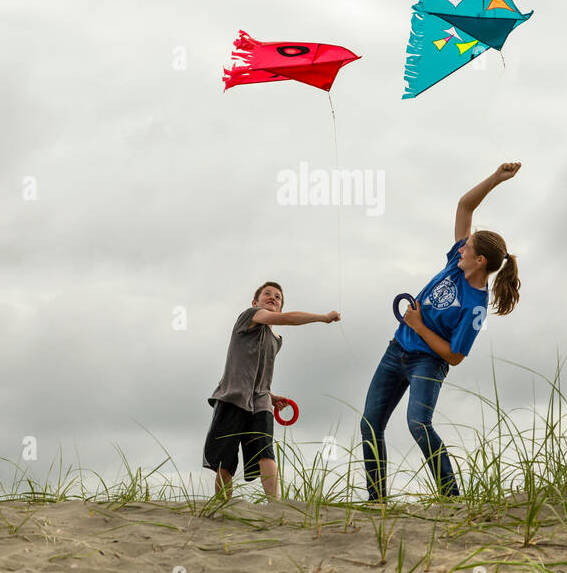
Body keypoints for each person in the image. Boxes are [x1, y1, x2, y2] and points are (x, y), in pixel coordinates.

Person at [360, 162, 522, 501]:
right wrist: (496, 177)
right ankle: (377, 501)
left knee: (418, 424)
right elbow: (465, 206)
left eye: (468, 246)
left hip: (428, 364)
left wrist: (418, 325)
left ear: (480, 261)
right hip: (396, 351)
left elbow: (455, 356)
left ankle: (451, 498)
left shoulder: (475, 305)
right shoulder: (455, 263)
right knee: (370, 424)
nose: (461, 247)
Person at [204, 281, 340, 501]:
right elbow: (286, 320)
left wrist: (271, 395)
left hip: (260, 400)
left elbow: (257, 372)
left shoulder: (276, 340)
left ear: (281, 306)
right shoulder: (248, 316)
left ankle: (275, 504)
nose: (273, 298)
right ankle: (223, 505)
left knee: (265, 450)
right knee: (225, 460)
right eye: (267, 294)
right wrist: (323, 317)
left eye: (278, 297)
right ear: (255, 302)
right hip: (233, 396)